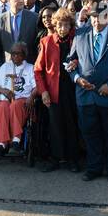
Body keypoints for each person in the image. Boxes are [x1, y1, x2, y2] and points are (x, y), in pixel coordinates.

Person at [66, 3, 108, 182]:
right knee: (90, 133)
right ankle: (94, 168)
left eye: (101, 16)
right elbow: (70, 63)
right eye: (94, 16)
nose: (97, 20)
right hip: (86, 95)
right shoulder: (80, 35)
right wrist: (77, 78)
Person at [33, 10, 80, 172]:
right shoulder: (46, 41)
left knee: (72, 124)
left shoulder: (77, 40)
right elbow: (38, 70)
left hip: (73, 89)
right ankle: (55, 158)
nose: (62, 28)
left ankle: (73, 159)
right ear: (54, 24)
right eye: (59, 24)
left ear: (70, 26)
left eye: (66, 25)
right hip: (53, 90)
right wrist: (43, 91)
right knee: (54, 126)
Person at [0, 41, 36, 158]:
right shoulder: (5, 66)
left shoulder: (30, 68)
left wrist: (31, 97)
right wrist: (4, 91)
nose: (14, 56)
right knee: (1, 106)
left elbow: (37, 87)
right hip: (5, 100)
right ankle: (1, 145)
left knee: (15, 105)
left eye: (17, 53)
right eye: (12, 53)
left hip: (22, 101)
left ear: (24, 55)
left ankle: (16, 142)